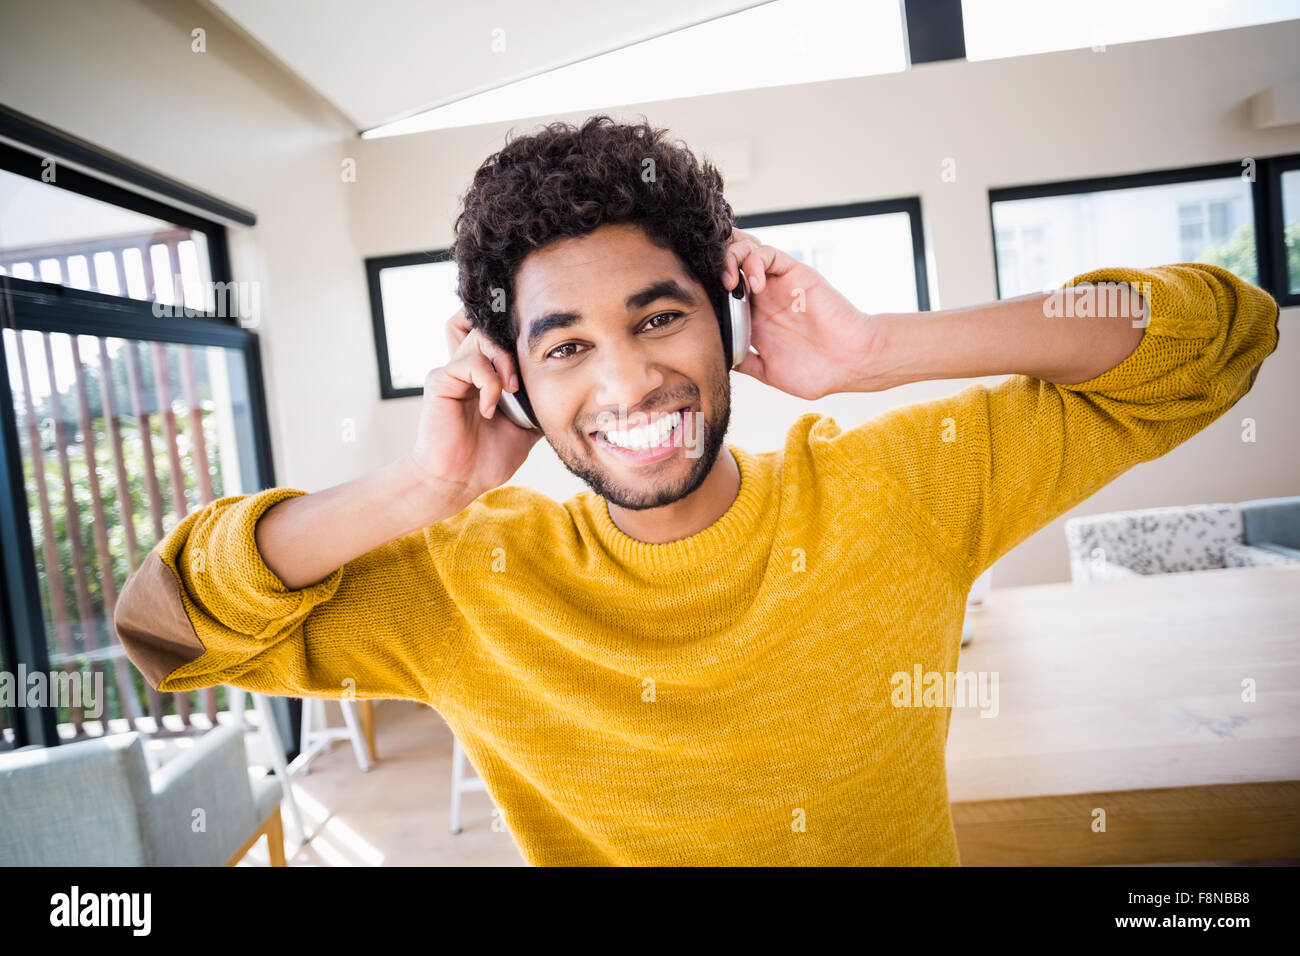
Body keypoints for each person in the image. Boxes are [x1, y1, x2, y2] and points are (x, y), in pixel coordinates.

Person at [114, 114, 1282, 866]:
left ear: (724, 322)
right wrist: (418, 487)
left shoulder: (891, 488)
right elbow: (162, 626)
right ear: (509, 378)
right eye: (563, 345)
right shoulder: (466, 577)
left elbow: (1216, 335)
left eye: (659, 315)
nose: (626, 379)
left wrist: (874, 349)